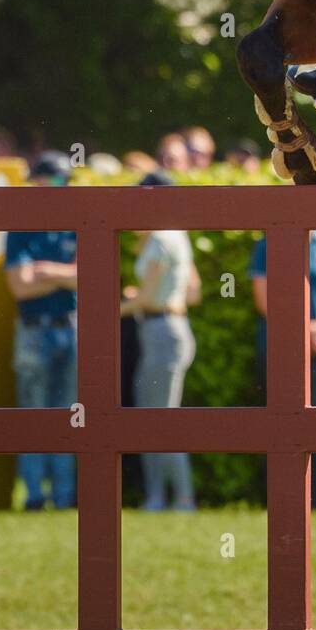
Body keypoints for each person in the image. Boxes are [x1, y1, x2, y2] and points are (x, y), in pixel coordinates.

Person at [248, 230, 316, 507]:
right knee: (278, 424)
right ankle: (279, 499)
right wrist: (300, 332)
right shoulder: (267, 244)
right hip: (279, 349)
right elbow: (263, 297)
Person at [121, 170, 201, 510]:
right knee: (154, 417)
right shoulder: (177, 235)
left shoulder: (161, 238)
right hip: (165, 329)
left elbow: (146, 298)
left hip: (161, 331)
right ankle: (159, 498)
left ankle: (182, 499)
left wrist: (109, 310)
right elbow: (193, 292)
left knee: (163, 420)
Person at [4, 151, 77, 510]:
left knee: (70, 416)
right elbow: (19, 287)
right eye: (57, 180)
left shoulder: (77, 223)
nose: (63, 188)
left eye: (67, 181)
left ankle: (64, 497)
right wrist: (65, 276)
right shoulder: (21, 225)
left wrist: (43, 271)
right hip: (33, 330)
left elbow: (90, 276)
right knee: (32, 416)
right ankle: (34, 496)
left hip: (70, 328)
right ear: (38, 181)